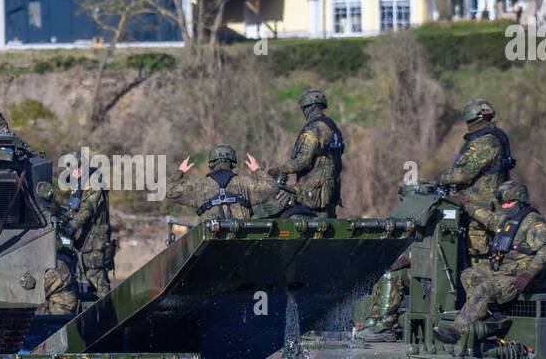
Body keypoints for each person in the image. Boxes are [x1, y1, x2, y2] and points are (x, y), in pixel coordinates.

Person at [434, 180, 546, 343]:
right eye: (503, 204)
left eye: (509, 203)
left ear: (519, 201)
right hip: (504, 272)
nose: (505, 207)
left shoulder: (534, 222)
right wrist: (466, 204)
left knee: (486, 288)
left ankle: (456, 331)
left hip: (521, 278)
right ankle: (491, 314)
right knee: (469, 275)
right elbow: (489, 219)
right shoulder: (509, 220)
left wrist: (528, 274)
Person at [437, 98, 515, 258]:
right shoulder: (497, 136)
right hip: (484, 207)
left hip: (479, 209)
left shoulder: (486, 141)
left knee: (476, 256)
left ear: (470, 117)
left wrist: (443, 177)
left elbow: (463, 175)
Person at [266, 88, 344, 217]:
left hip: (313, 196)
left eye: (305, 108)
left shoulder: (312, 129)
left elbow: (302, 162)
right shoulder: (332, 127)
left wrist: (279, 170)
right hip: (331, 192)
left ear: (309, 107)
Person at [166, 144, 281, 222]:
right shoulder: (245, 183)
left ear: (211, 163)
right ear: (232, 163)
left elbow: (168, 191)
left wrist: (180, 171)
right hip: (241, 242)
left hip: (212, 244)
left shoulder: (200, 186)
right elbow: (273, 187)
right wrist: (257, 169)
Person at [63, 158, 115, 298]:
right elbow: (74, 209)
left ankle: (106, 311)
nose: (73, 173)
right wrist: (62, 219)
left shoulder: (93, 182)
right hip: (85, 238)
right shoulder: (80, 184)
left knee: (96, 275)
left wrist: (70, 227)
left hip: (95, 239)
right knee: (88, 275)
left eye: (75, 169)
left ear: (81, 168)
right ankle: (97, 311)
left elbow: (87, 210)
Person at [357, 248, 410, 341]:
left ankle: (385, 327)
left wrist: (400, 262)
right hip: (415, 267)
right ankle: (374, 320)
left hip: (423, 271)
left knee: (390, 276)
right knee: (382, 273)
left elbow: (415, 254)